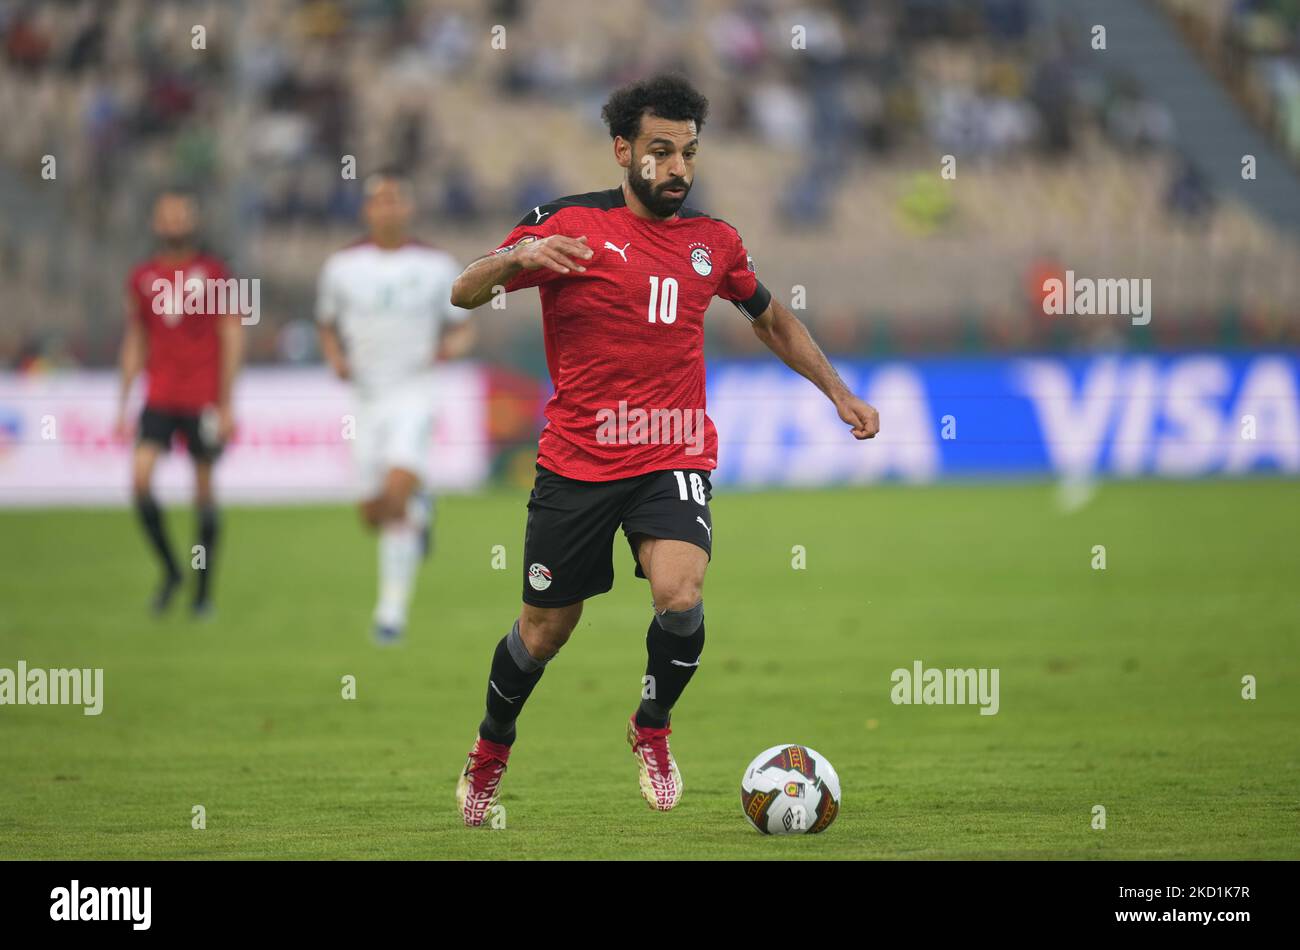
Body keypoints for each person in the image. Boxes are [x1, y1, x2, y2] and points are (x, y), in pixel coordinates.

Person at [448, 74, 880, 826]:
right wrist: (522, 258)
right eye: (661, 151)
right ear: (623, 151)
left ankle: (651, 726)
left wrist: (838, 392)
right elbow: (463, 292)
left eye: (689, 152)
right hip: (578, 460)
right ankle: (491, 747)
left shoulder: (716, 242)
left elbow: (771, 319)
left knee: (681, 595)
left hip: (671, 451)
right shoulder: (565, 223)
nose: (679, 168)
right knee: (544, 632)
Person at [316, 171, 474, 644]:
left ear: (409, 208)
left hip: (413, 393)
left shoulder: (436, 265)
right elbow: (326, 323)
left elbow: (463, 326)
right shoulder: (342, 267)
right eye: (379, 200)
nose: (388, 207)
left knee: (396, 496)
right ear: (367, 209)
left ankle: (390, 614)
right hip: (365, 398)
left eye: (396, 199)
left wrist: (448, 350)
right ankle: (421, 513)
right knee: (374, 513)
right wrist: (335, 357)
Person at [117, 189, 243, 618]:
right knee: (139, 481)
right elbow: (136, 338)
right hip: (159, 395)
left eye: (180, 215)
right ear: (155, 223)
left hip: (202, 397)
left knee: (203, 492)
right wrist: (123, 401)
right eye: (166, 216)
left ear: (194, 221)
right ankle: (172, 570)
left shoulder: (216, 273)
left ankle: (202, 592)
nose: (173, 223)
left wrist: (227, 403)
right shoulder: (141, 277)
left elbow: (232, 335)